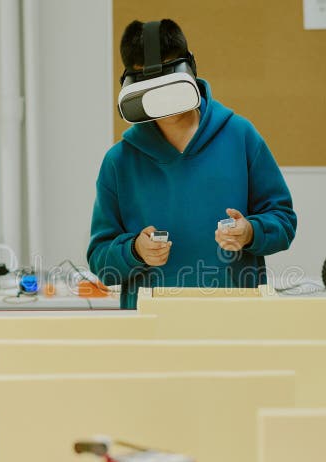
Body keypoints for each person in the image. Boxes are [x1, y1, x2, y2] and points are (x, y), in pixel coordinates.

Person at [87, 19, 297, 309]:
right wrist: (134, 250)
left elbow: (284, 220)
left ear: (189, 70)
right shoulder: (119, 162)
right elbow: (100, 258)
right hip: (152, 323)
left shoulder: (240, 137)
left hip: (235, 316)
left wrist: (251, 231)